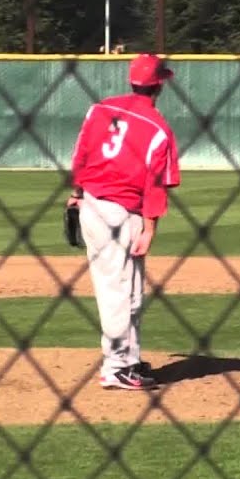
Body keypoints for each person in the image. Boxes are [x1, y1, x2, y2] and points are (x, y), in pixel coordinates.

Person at [67, 53, 181, 390]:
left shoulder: (100, 109)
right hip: (122, 212)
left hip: (94, 205)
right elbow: (155, 184)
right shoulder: (158, 128)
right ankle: (116, 367)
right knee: (118, 290)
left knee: (129, 290)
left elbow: (82, 154)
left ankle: (128, 359)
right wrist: (150, 228)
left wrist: (77, 192)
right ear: (159, 84)